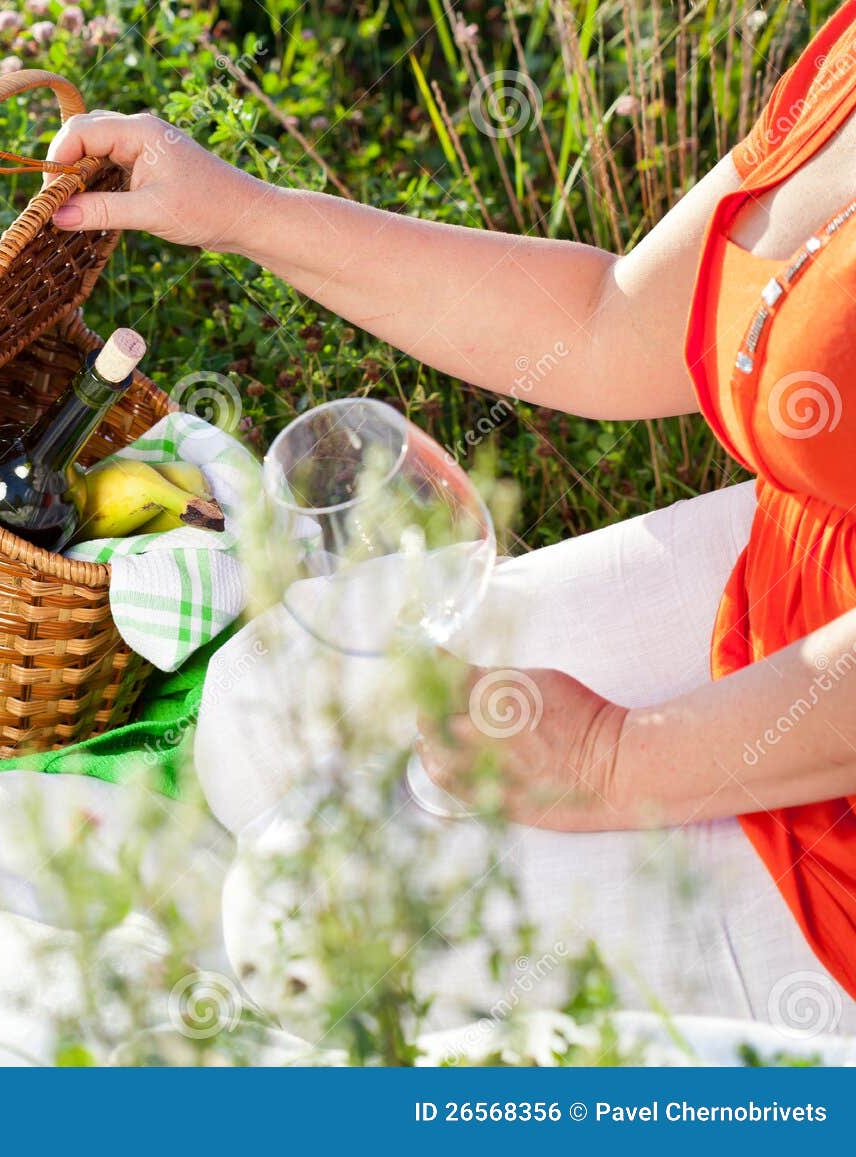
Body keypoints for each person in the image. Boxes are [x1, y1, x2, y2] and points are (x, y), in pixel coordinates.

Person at [48, 5, 856, 1025]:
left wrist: (612, 759)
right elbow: (604, 324)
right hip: (794, 567)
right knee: (258, 708)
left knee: (301, 924)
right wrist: (238, 211)